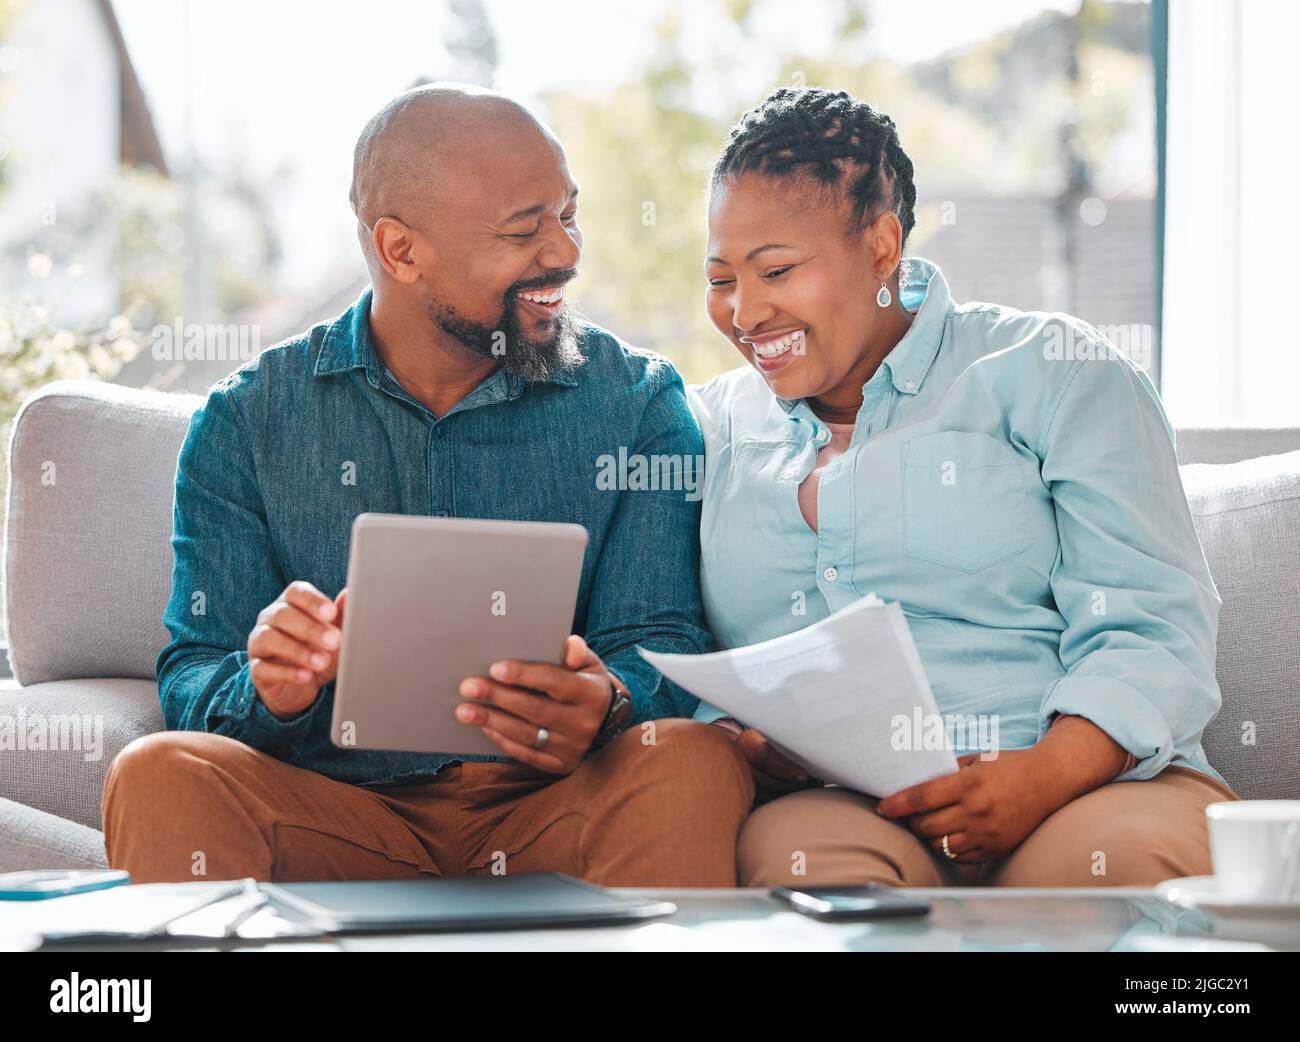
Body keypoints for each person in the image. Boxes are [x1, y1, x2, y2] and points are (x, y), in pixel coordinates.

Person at [101, 84, 752, 886]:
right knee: (159, 772)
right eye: (525, 229)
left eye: (568, 214)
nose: (565, 253)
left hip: (552, 807)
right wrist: (267, 688)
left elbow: (662, 641)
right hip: (334, 808)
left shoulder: (638, 403)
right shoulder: (247, 421)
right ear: (402, 250)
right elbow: (194, 670)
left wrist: (611, 699)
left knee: (690, 761)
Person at [692, 87, 1239, 888]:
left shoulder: (1054, 371)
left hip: (1089, 783)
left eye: (776, 270)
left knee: (1086, 888)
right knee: (814, 892)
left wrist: (1041, 776)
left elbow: (1154, 626)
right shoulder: (707, 429)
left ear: (881, 247)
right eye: (719, 279)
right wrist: (747, 744)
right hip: (841, 801)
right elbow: (679, 647)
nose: (744, 311)